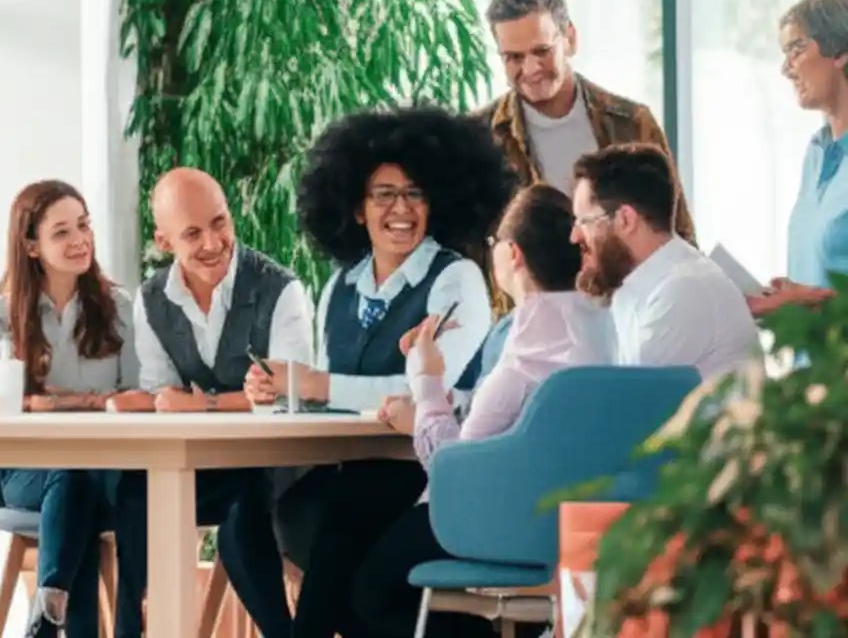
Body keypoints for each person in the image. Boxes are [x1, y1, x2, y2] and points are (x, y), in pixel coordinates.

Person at [346, 184, 614, 638]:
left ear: (513, 254)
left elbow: (455, 472)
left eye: (494, 244)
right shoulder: (604, 331)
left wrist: (426, 380)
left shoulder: (525, 352)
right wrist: (448, 403)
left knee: (369, 591)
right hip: (576, 529)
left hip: (496, 524)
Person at [272, 106, 514, 588]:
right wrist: (286, 390)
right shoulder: (340, 286)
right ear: (357, 209)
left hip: (422, 471)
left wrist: (318, 385)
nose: (401, 208)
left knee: (336, 520)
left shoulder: (456, 278)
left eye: (415, 194)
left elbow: (424, 393)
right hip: (353, 468)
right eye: (384, 194)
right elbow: (330, 397)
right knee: (268, 516)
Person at [111, 167, 314, 638]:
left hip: (274, 465)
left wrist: (203, 405)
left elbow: (292, 392)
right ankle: (129, 631)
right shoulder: (152, 299)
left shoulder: (281, 289)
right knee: (134, 493)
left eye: (219, 222)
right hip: (206, 466)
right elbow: (165, 395)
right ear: (164, 241)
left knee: (242, 522)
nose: (212, 242)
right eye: (192, 234)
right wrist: (148, 402)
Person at [0, 180, 145, 637]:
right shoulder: (2, 311)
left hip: (101, 467)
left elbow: (138, 393)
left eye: (84, 225)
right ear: (31, 246)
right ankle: (62, 611)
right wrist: (6, 404)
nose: (80, 240)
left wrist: (63, 402)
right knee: (71, 478)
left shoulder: (117, 306)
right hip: (22, 471)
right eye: (62, 232)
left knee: (93, 490)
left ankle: (49, 609)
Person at [475, 0, 697, 245]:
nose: (531, 69)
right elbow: (466, 246)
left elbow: (677, 234)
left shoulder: (631, 123)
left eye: (542, 51)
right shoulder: (478, 137)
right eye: (514, 57)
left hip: (626, 273)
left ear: (570, 39)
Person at [571, 144, 757, 378]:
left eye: (584, 222)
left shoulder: (684, 290)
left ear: (625, 220)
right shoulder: (633, 287)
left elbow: (627, 395)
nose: (574, 236)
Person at [750, 0, 848, 316]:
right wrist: (792, 294)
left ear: (840, 51)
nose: (786, 69)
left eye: (797, 48)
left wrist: (806, 298)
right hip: (810, 349)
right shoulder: (817, 153)